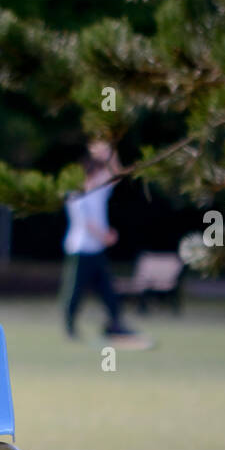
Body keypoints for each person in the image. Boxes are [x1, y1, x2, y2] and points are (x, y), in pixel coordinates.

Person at [60, 140, 136, 339]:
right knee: (75, 291)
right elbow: (86, 223)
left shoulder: (98, 191)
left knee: (107, 290)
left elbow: (116, 173)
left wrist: (109, 151)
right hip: (80, 249)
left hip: (97, 249)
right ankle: (69, 327)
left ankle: (115, 324)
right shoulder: (76, 194)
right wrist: (105, 236)